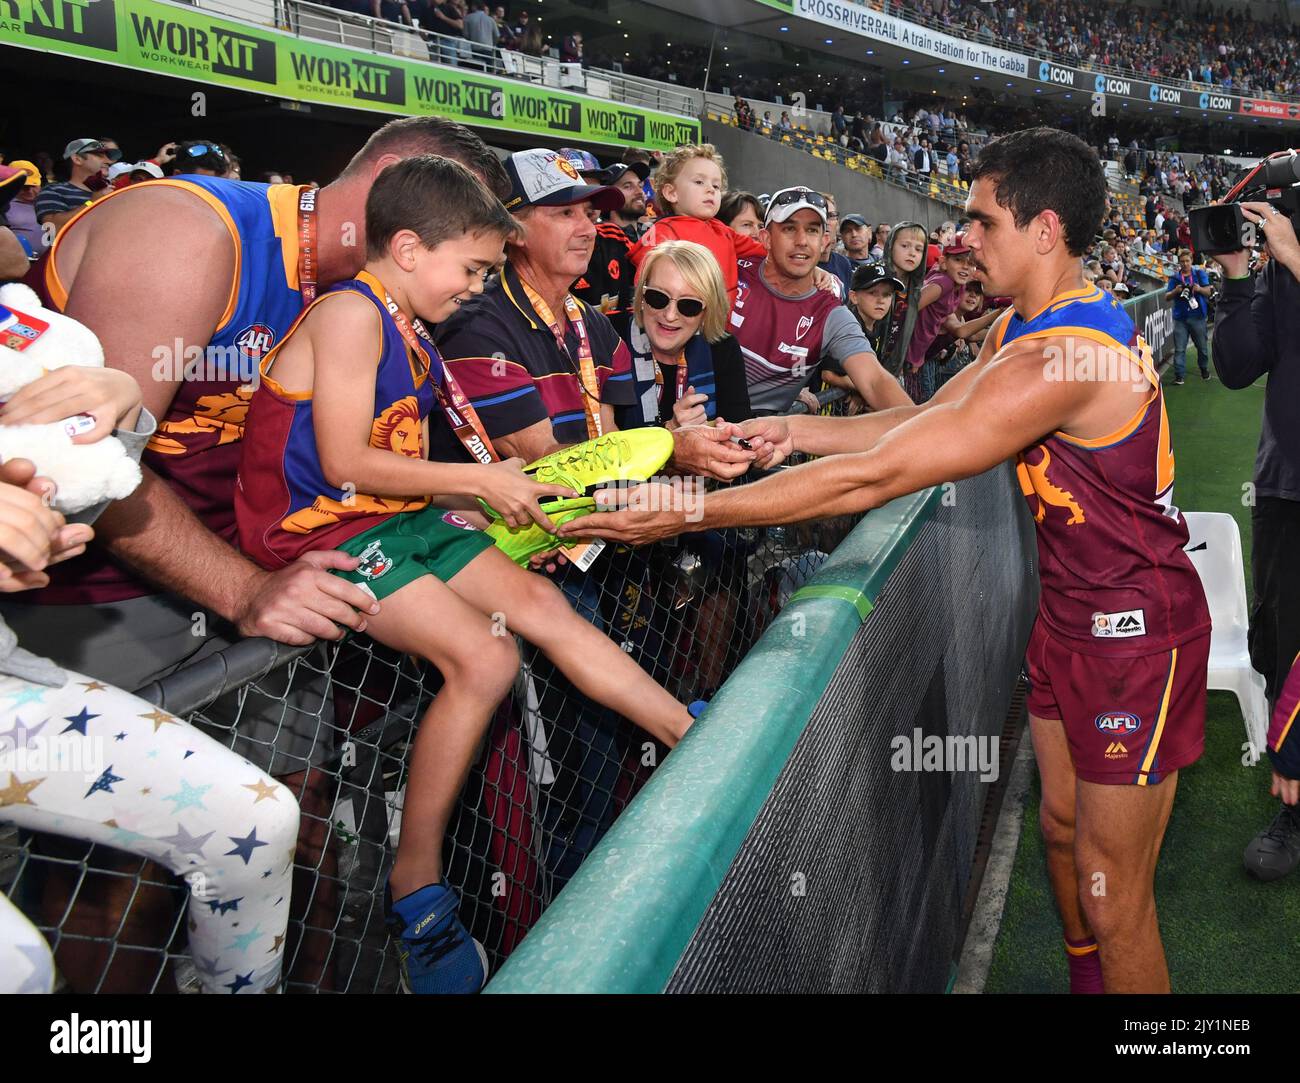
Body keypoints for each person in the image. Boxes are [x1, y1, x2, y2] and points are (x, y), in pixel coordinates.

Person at [568, 127, 1212, 996]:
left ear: (1045, 229)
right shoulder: (1028, 328)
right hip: (1071, 615)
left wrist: (687, 509)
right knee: (1061, 835)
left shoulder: (1070, 356)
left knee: (1115, 892)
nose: (964, 240)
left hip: (1136, 635)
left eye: (983, 222)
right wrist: (793, 429)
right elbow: (916, 421)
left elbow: (883, 471)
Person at [8, 114, 510, 992]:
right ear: (400, 195)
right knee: (113, 887)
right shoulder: (192, 231)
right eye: (458, 253)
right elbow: (93, 472)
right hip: (92, 591)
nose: (462, 282)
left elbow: (350, 454)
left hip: (256, 573)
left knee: (298, 831)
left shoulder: (369, 302)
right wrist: (244, 589)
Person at [235, 155, 695, 992]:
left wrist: (509, 499)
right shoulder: (348, 315)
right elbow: (342, 459)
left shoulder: (404, 321)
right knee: (486, 658)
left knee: (541, 604)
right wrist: (480, 480)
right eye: (474, 267)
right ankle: (418, 889)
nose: (481, 286)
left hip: (392, 516)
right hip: (320, 532)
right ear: (408, 248)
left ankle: (685, 735)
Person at [1210, 197, 1300, 880]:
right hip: (1287, 488)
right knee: (1283, 642)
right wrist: (1240, 273)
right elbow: (1238, 366)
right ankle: (1295, 805)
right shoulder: (1279, 265)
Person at [732, 187, 911, 414]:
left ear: (824, 240)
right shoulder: (732, 272)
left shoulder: (830, 313)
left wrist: (925, 434)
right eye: (789, 229)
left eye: (812, 230)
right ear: (765, 238)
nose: (802, 241)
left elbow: (875, 380)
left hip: (757, 442)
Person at [629, 144, 767, 308]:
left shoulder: (723, 231)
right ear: (672, 193)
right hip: (676, 323)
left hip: (721, 328)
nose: (710, 189)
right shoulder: (664, 232)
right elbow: (645, 287)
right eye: (699, 182)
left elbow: (764, 250)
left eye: (716, 186)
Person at [877, 220, 930, 377]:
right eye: (905, 246)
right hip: (863, 370)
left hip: (890, 372)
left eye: (919, 249)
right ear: (890, 246)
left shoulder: (914, 290)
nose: (912, 253)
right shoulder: (874, 281)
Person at [35, 140, 116, 236]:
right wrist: (92, 203)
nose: (107, 161)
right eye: (99, 155)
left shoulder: (115, 192)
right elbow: (53, 229)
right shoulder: (53, 191)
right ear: (77, 159)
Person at [1165, 249, 1212, 385]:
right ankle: (1179, 376)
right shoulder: (1175, 278)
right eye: (1182, 261)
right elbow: (1167, 296)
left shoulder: (1199, 273)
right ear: (1179, 263)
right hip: (1180, 317)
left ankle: (1203, 369)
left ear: (1191, 261)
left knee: (1202, 347)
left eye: (1187, 261)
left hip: (1197, 316)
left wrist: (1198, 289)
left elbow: (1208, 291)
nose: (1185, 264)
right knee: (1179, 348)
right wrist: (1176, 291)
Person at [817, 191, 854, 298]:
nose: (826, 221)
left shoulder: (843, 264)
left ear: (837, 223)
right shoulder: (799, 264)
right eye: (821, 215)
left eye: (831, 216)